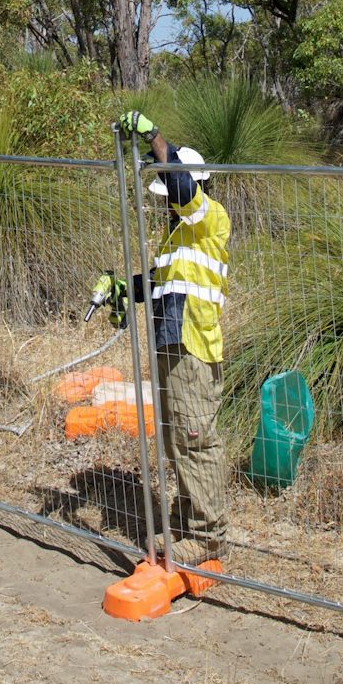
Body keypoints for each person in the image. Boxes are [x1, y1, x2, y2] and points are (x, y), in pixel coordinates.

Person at [118, 110, 232, 573]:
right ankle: (187, 523)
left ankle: (209, 536)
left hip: (193, 347)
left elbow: (184, 190)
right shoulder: (174, 237)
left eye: (170, 193)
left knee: (195, 438)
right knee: (176, 441)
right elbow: (158, 285)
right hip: (171, 343)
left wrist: (155, 138)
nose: (165, 203)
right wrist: (123, 287)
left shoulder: (209, 217)